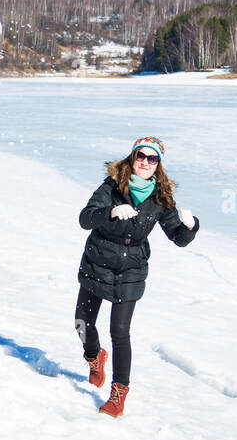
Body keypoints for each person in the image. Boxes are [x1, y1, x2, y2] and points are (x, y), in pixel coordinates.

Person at [75, 136, 199, 417]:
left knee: (119, 332)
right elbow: (85, 219)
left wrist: (190, 227)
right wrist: (110, 212)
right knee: (82, 323)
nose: (145, 162)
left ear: (159, 164)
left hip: (131, 270)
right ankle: (94, 357)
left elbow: (177, 238)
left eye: (152, 158)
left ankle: (118, 394)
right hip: (97, 262)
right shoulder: (111, 186)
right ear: (132, 158)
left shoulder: (161, 198)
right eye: (140, 156)